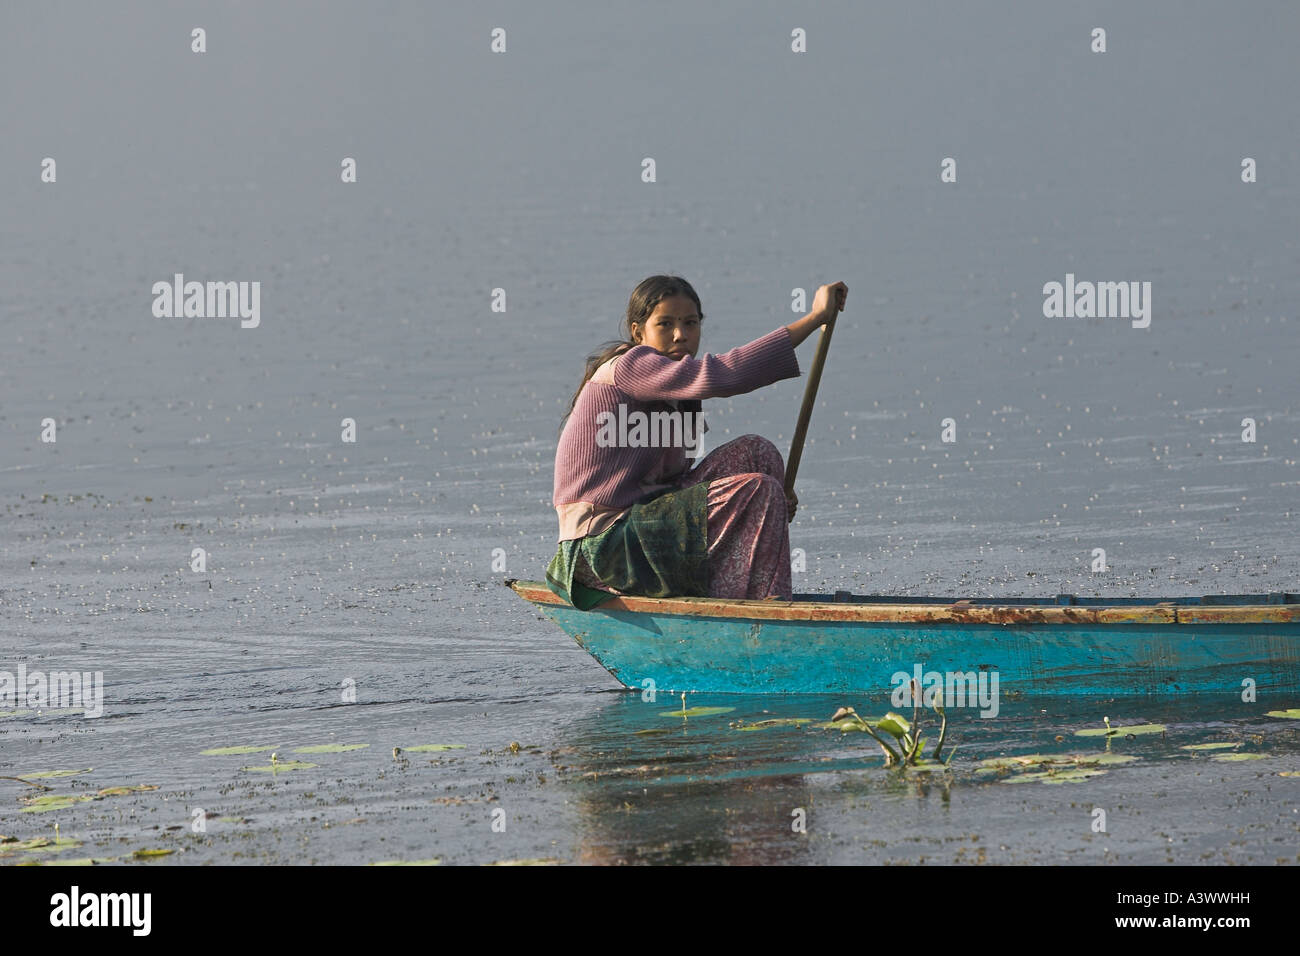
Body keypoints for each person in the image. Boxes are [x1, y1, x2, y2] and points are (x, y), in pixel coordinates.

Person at [547, 275, 847, 608]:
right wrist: (814, 318)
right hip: (602, 546)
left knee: (758, 455)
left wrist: (772, 504)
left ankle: (747, 591)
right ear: (638, 333)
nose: (681, 335)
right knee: (758, 490)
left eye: (690, 324)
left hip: (645, 526)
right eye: (665, 324)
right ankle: (767, 609)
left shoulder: (681, 394)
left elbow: (674, 486)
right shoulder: (630, 366)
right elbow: (723, 374)